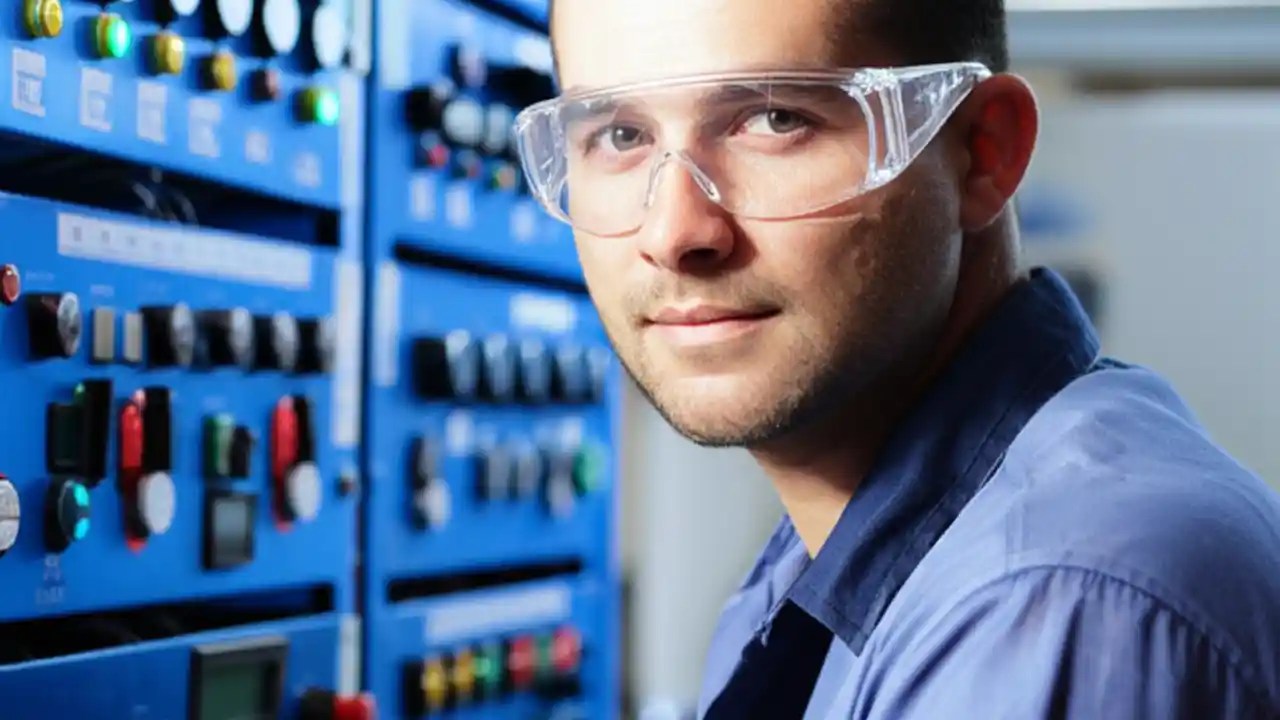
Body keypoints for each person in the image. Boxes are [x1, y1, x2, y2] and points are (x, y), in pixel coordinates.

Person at [513, 0, 1280, 717]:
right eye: (619, 136)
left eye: (775, 118)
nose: (674, 232)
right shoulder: (827, 557)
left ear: (985, 152)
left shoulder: (1057, 599)